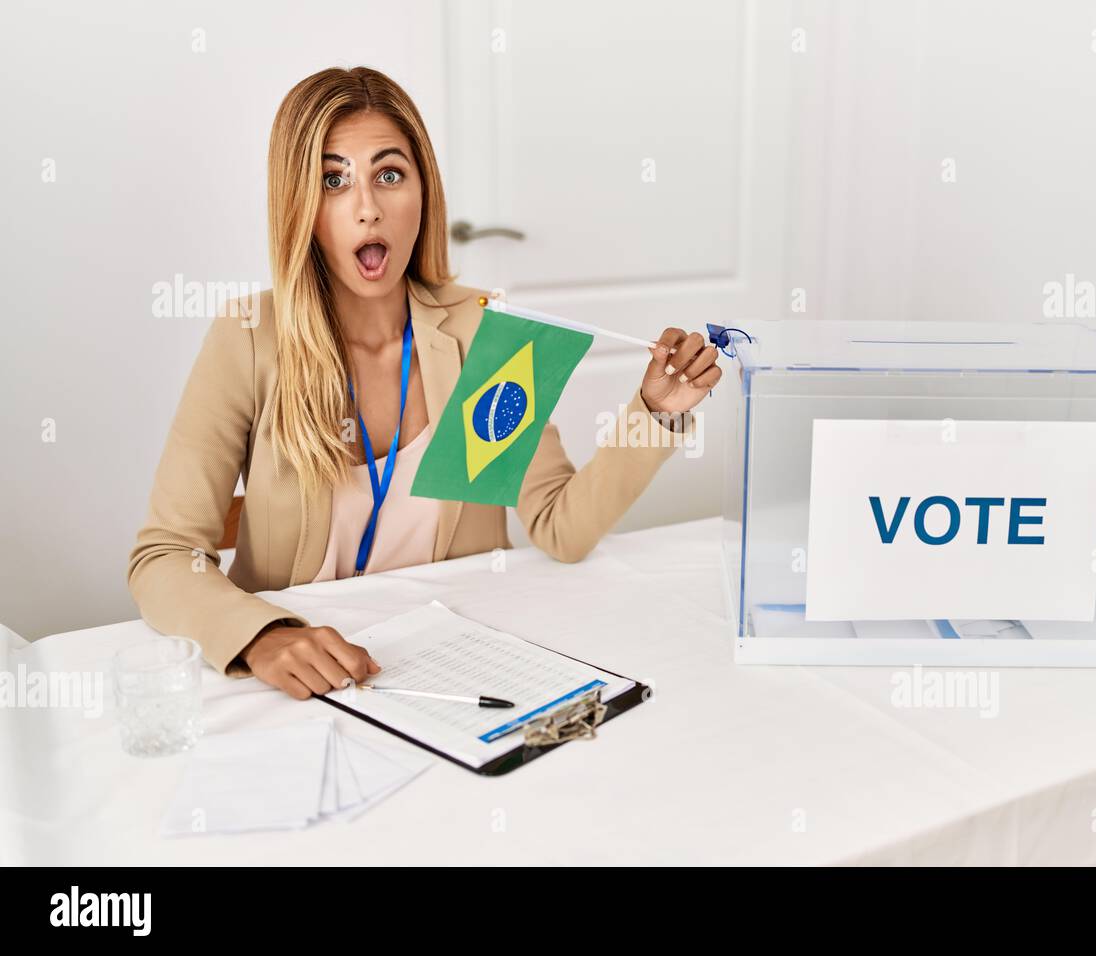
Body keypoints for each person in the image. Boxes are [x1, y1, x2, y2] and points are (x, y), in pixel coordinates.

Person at [127, 66, 719, 700]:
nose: (366, 207)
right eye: (333, 179)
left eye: (389, 174)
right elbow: (164, 556)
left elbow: (560, 528)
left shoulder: (483, 333)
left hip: (454, 671)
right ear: (299, 204)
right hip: (301, 686)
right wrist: (263, 636)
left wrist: (655, 412)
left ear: (422, 193)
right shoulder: (249, 335)